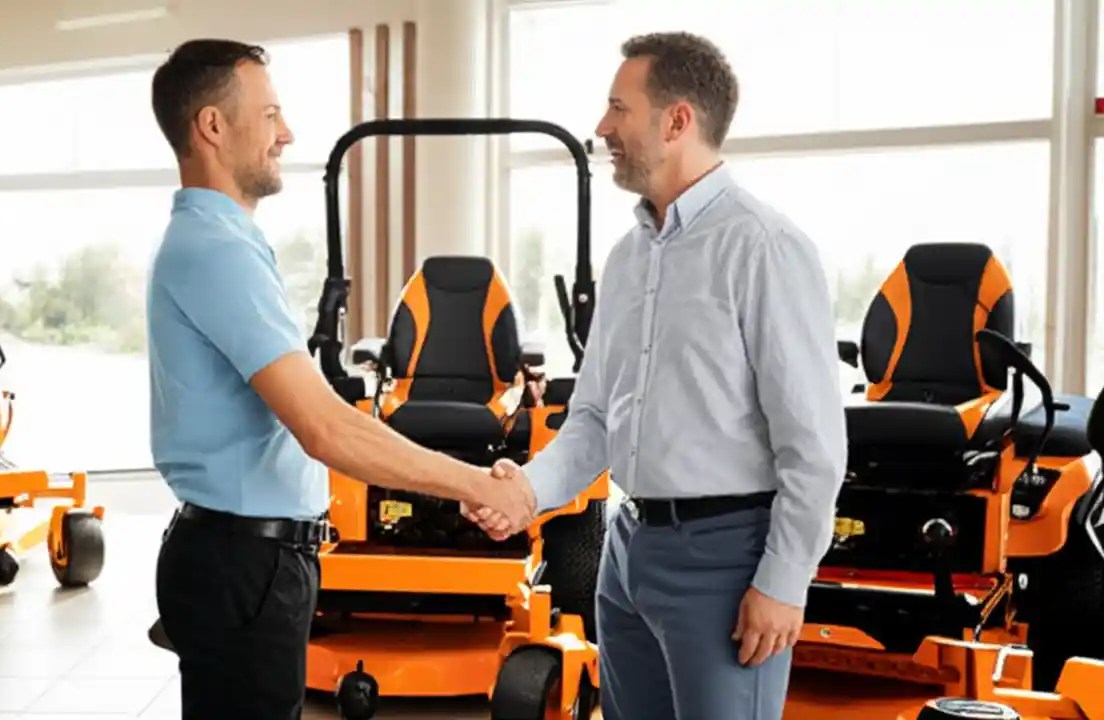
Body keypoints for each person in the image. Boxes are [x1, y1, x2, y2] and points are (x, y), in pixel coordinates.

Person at [145, 39, 534, 720]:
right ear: (212, 126)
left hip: (244, 554)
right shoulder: (215, 252)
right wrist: (476, 483)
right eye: (270, 116)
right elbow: (324, 427)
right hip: (244, 562)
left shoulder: (222, 244)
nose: (286, 133)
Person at [465, 31, 846, 719]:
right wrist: (528, 490)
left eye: (618, 108)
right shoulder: (631, 256)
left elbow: (813, 445)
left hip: (726, 559)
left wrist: (784, 581)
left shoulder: (763, 248)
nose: (602, 127)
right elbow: (596, 421)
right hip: (627, 550)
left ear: (677, 121)